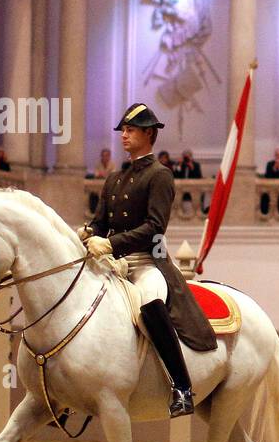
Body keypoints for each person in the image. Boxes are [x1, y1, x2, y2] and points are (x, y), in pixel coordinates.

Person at [77, 103, 218, 418]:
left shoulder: (160, 175)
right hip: (111, 263)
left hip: (145, 263)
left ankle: (182, 387)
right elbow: (100, 222)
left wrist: (110, 243)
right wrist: (87, 233)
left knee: (150, 304)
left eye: (130, 130)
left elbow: (154, 228)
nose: (124, 136)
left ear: (148, 134)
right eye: (123, 131)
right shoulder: (114, 178)